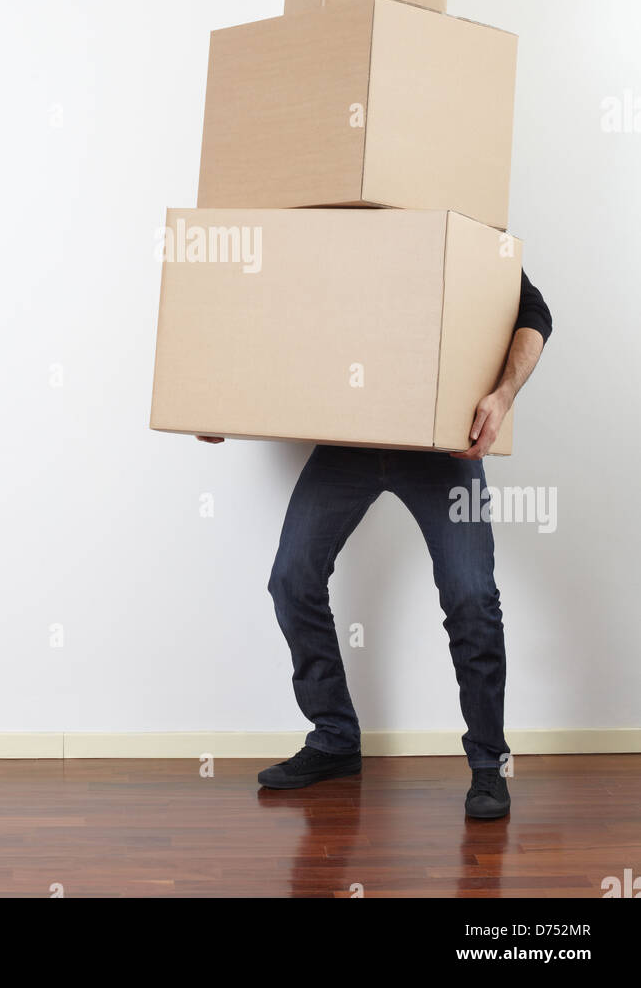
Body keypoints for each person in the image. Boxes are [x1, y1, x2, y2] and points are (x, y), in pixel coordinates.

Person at [197, 270, 552, 819]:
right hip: (350, 442)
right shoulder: (340, 227)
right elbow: (277, 314)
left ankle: (488, 764)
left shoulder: (464, 226)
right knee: (292, 580)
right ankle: (334, 738)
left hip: (444, 445)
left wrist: (502, 396)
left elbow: (534, 314)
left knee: (471, 597)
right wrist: (230, 403)